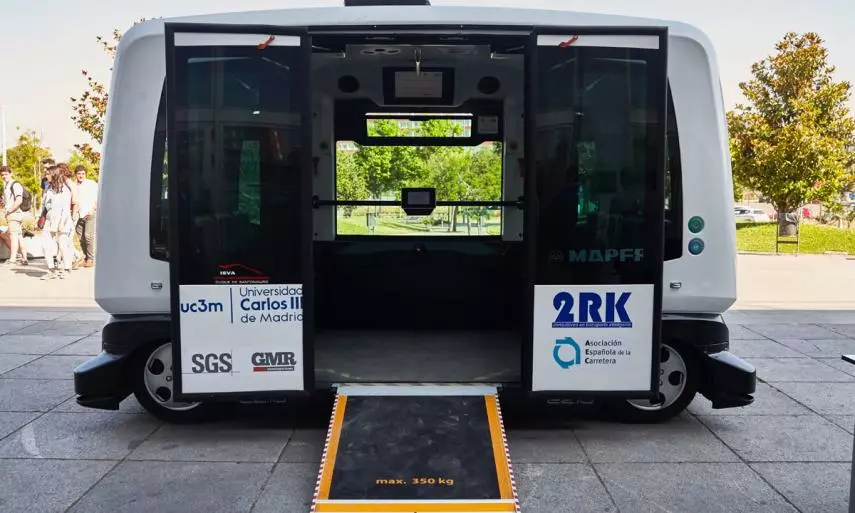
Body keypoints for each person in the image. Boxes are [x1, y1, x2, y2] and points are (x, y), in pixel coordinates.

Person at [40, 167, 76, 279]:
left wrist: (61, 224)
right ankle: (51, 270)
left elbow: (65, 208)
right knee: (45, 245)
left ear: (54, 174)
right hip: (50, 220)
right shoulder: (48, 188)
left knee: (63, 245)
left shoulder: (64, 189)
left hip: (62, 221)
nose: (46, 177)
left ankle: (67, 269)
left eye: (48, 174)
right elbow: (45, 205)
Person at [1, 166, 29, 266]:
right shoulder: (6, 185)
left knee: (13, 236)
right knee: (19, 236)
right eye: (2, 175)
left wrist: (9, 210)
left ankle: (12, 259)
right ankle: (24, 259)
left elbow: (19, 200)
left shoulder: (15, 184)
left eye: (6, 174)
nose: (4, 176)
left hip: (14, 213)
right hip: (14, 213)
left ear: (10, 173)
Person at [72, 165, 97, 268]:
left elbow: (98, 196)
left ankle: (91, 259)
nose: (81, 176)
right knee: (80, 238)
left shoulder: (91, 184)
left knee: (88, 236)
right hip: (78, 215)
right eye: (79, 174)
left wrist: (93, 208)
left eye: (83, 174)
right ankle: (85, 257)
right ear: (76, 175)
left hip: (89, 213)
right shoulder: (74, 185)